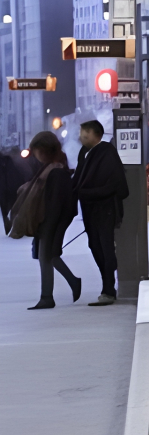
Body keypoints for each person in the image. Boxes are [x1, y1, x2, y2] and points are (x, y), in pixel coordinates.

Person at [71, 119, 129, 305]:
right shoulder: (84, 153)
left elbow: (117, 185)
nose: (80, 137)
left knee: (105, 246)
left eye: (83, 133)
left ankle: (108, 288)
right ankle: (107, 284)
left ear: (93, 134)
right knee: (94, 246)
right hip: (89, 208)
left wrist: (87, 192)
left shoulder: (106, 152)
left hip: (105, 208)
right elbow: (79, 179)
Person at [23, 131, 82, 310]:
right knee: (49, 255)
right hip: (49, 220)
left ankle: (47, 297)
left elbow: (56, 204)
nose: (36, 155)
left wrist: (47, 224)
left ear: (45, 151)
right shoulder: (54, 168)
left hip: (51, 221)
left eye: (37, 151)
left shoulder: (55, 171)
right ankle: (72, 282)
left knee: (45, 257)